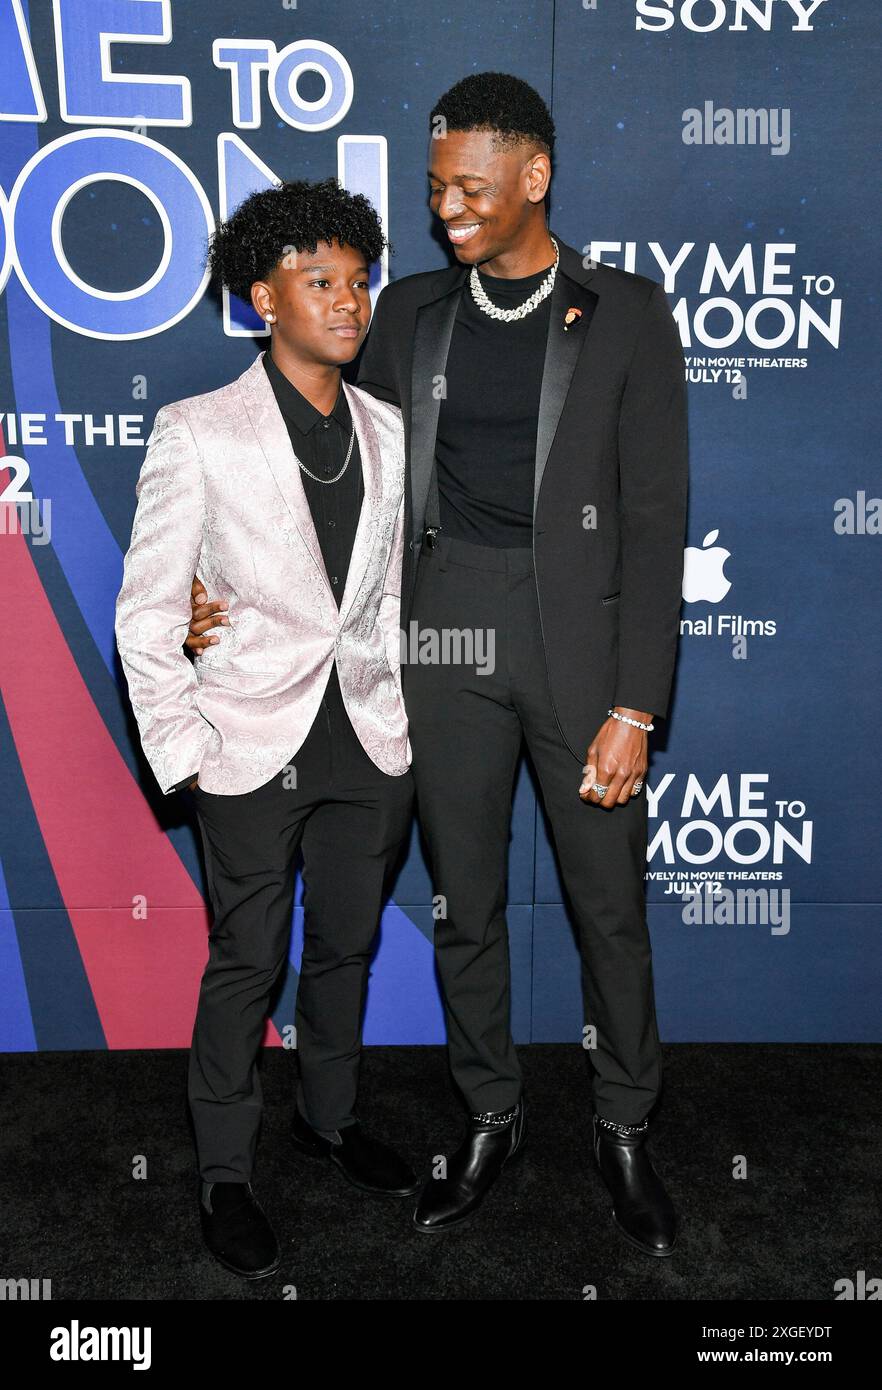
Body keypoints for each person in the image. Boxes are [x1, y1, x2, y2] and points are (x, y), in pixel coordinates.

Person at [189, 72, 689, 1257]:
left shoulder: (626, 314)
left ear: (535, 176)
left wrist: (636, 702)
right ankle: (491, 1112)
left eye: (470, 186)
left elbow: (658, 519)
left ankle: (625, 1127)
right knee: (461, 900)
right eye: (433, 189)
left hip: (582, 644)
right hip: (437, 635)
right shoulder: (406, 311)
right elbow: (295, 437)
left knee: (608, 907)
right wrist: (205, 579)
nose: (448, 207)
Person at [115, 179, 418, 1280]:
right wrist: (185, 751)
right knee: (249, 959)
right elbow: (148, 611)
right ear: (262, 299)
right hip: (249, 739)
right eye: (320, 282)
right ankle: (225, 1173)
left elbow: (385, 596)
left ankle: (328, 1119)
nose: (349, 302)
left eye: (359, 281)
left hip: (372, 741)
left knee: (346, 945)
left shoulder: (390, 429)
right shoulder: (198, 430)